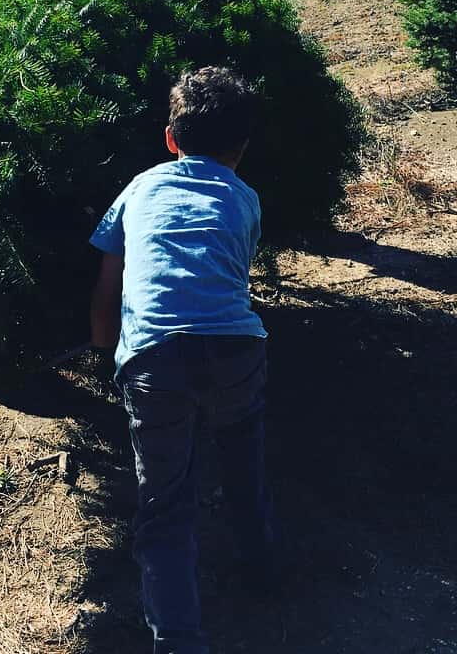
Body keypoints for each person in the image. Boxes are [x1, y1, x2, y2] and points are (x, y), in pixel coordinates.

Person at [89, 66, 272, 654]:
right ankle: (263, 567)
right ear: (242, 148)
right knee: (242, 452)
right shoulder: (246, 198)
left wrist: (102, 342)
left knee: (165, 503)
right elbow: (231, 271)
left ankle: (177, 638)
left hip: (156, 358)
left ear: (170, 138)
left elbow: (111, 278)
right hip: (238, 347)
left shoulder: (139, 188)